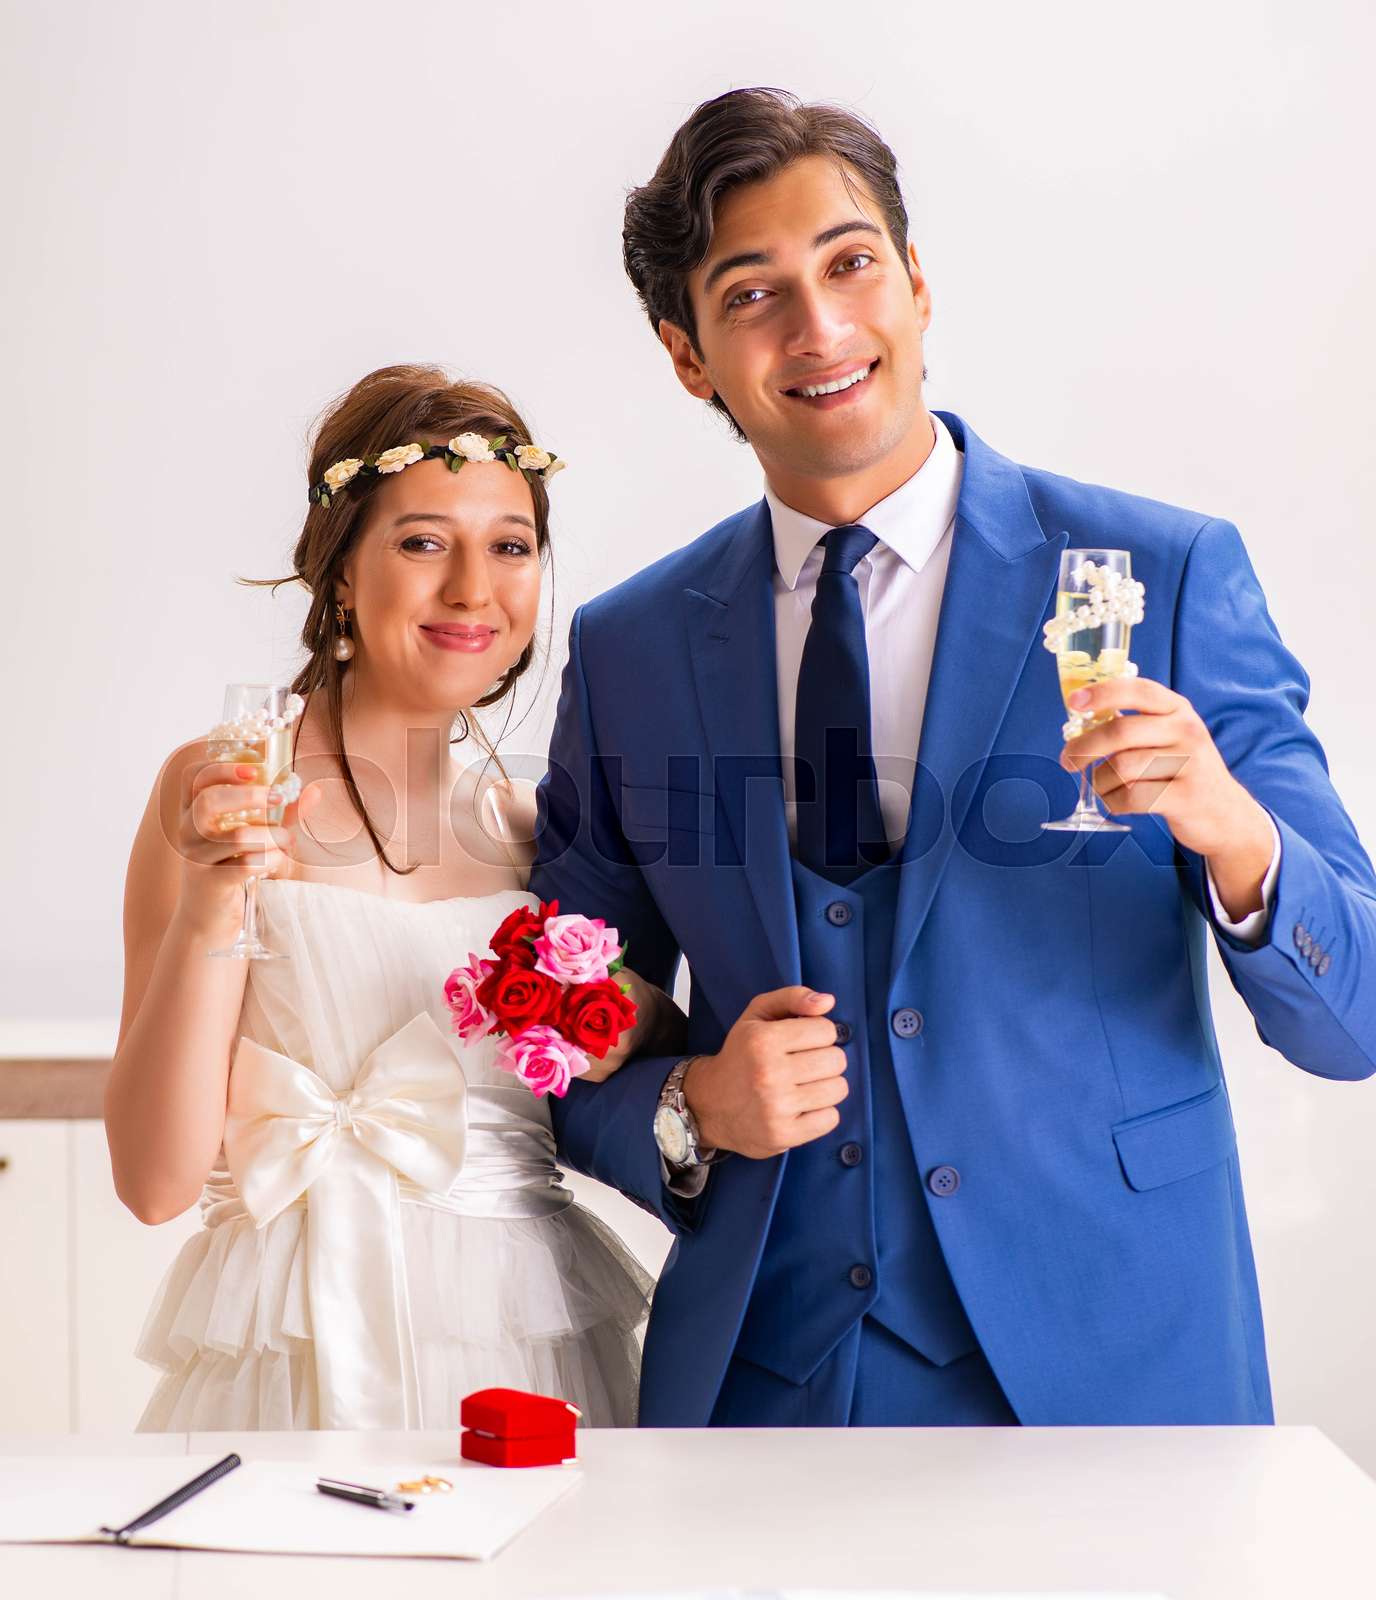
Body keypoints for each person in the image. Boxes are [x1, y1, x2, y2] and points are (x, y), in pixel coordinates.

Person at [527, 89, 1376, 1427]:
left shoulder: (1161, 572)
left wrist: (1233, 833)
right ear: (689, 357)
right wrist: (690, 1106)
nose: (819, 327)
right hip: (767, 1393)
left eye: (851, 264)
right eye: (753, 294)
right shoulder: (631, 650)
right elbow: (550, 1023)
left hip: (1117, 1372)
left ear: (917, 285)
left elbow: (1358, 1014)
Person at [107, 364, 680, 1430]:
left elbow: (634, 1062)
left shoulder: (535, 833)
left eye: (510, 545)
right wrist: (212, 906)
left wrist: (630, 1010)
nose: (473, 588)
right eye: (423, 541)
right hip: (291, 1347)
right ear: (338, 571)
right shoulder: (222, 791)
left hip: (523, 1349)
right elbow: (152, 1181)